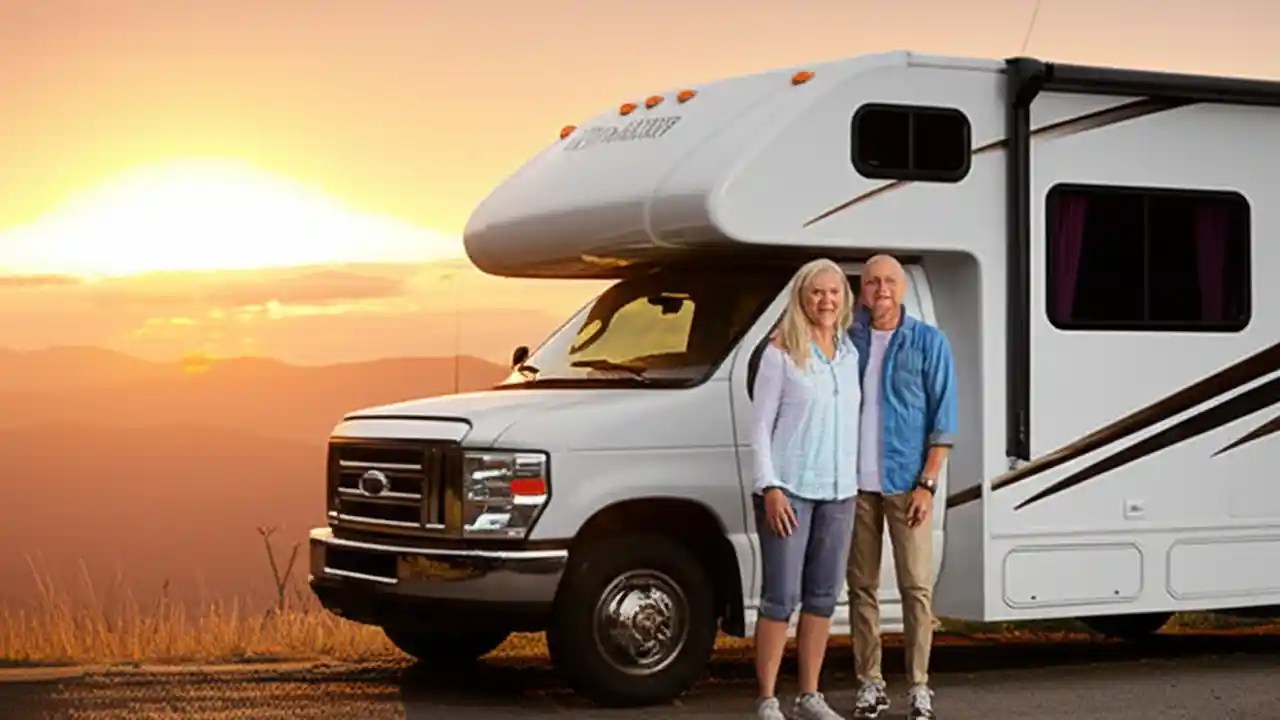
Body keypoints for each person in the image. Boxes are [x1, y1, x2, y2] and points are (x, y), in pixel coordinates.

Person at [847, 254, 957, 720]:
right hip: (854, 488)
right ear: (862, 290)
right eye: (871, 281)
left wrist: (927, 484)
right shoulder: (846, 341)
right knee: (861, 588)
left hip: (907, 485)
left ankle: (918, 686)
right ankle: (870, 684)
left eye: (889, 280)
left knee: (916, 588)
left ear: (903, 288)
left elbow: (944, 422)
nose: (880, 288)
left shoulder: (928, 342)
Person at [751, 258, 862, 720]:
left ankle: (810, 696)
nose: (826, 300)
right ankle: (767, 699)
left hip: (839, 492)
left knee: (822, 597)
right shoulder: (780, 353)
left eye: (833, 292)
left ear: (844, 298)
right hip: (789, 492)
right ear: (801, 297)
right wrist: (770, 487)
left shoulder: (849, 353)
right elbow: (759, 428)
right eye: (817, 292)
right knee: (780, 598)